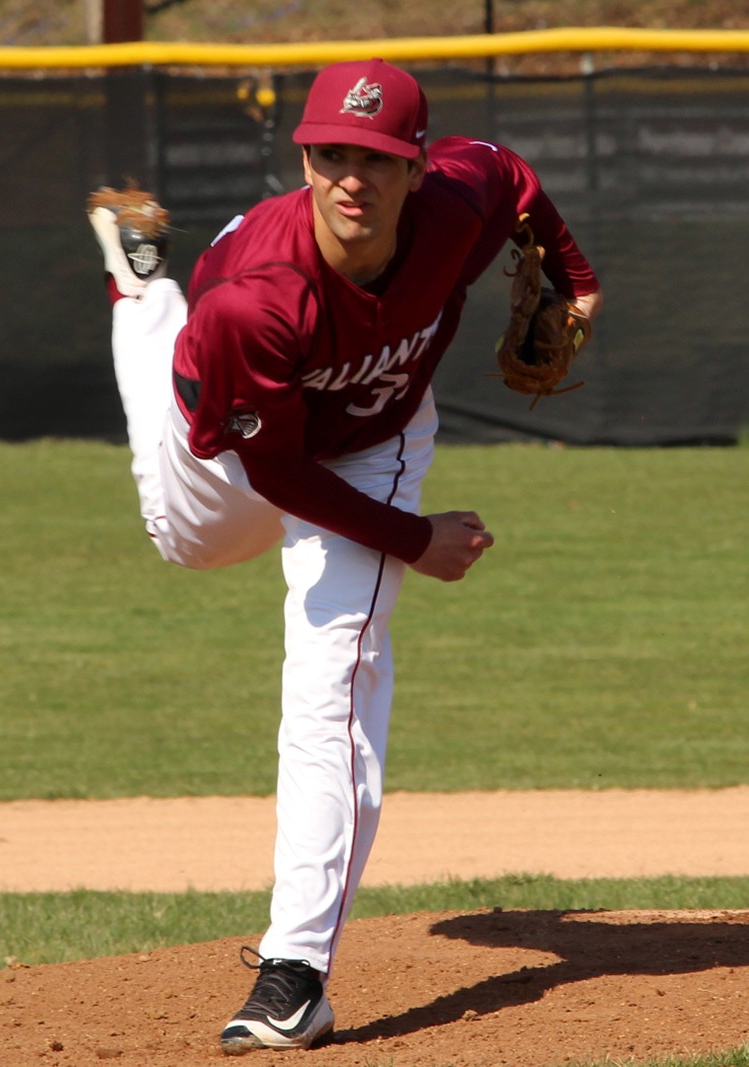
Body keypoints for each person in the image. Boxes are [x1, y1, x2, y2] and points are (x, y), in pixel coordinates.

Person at [86, 58, 601, 1054]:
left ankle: (295, 971)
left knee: (335, 672)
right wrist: (417, 540)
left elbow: (514, 177)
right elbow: (276, 468)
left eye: (374, 157)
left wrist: (578, 282)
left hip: (376, 438)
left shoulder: (459, 200)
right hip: (243, 446)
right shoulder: (256, 297)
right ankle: (142, 289)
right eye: (330, 154)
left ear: (415, 167)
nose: (350, 178)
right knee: (181, 542)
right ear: (305, 159)